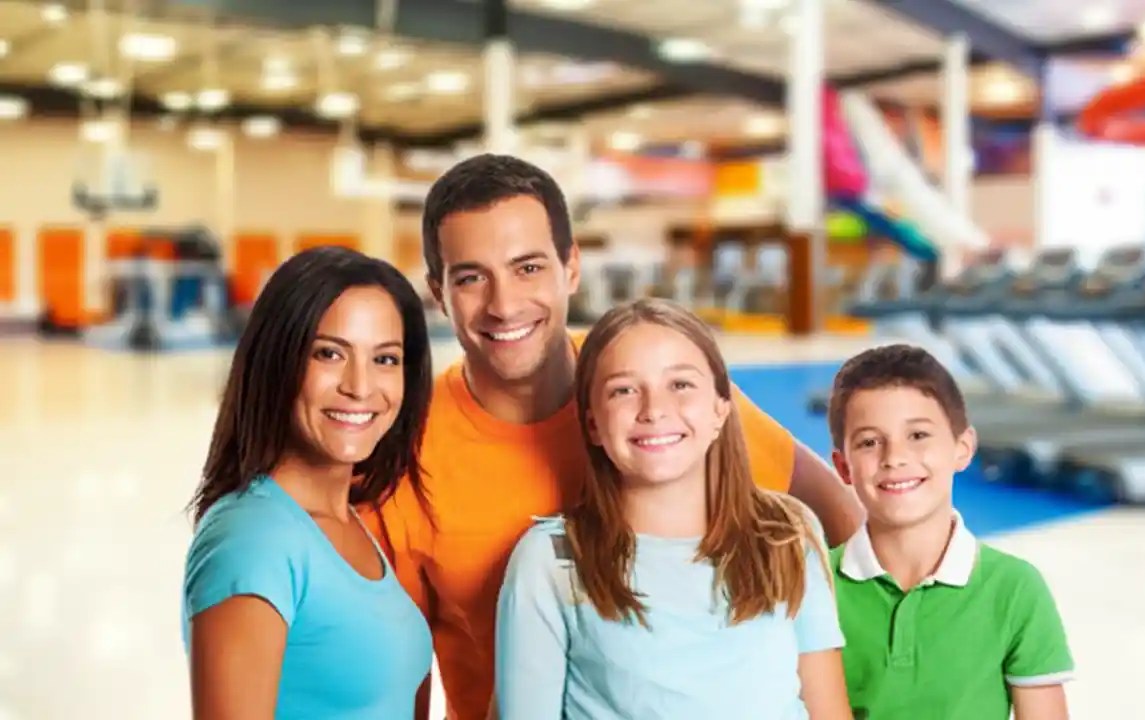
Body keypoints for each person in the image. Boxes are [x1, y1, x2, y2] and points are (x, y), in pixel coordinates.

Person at [363, 153, 864, 720]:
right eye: (472, 278)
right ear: (438, 290)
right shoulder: (405, 455)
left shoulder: (657, 385)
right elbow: (398, 674)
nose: (504, 305)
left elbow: (838, 521)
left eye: (528, 268)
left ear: (570, 267)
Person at [494, 298, 853, 719]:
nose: (654, 410)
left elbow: (830, 711)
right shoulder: (553, 560)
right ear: (593, 424)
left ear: (722, 409)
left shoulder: (785, 533)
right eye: (624, 390)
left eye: (680, 384)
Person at [183, 246, 435, 719]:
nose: (360, 386)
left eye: (385, 359)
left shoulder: (350, 523)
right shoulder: (253, 538)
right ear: (278, 361)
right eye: (329, 353)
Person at [824, 344, 1074, 719]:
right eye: (870, 442)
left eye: (919, 435)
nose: (895, 457)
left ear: (963, 448)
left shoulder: (1014, 588)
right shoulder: (812, 586)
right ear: (844, 467)